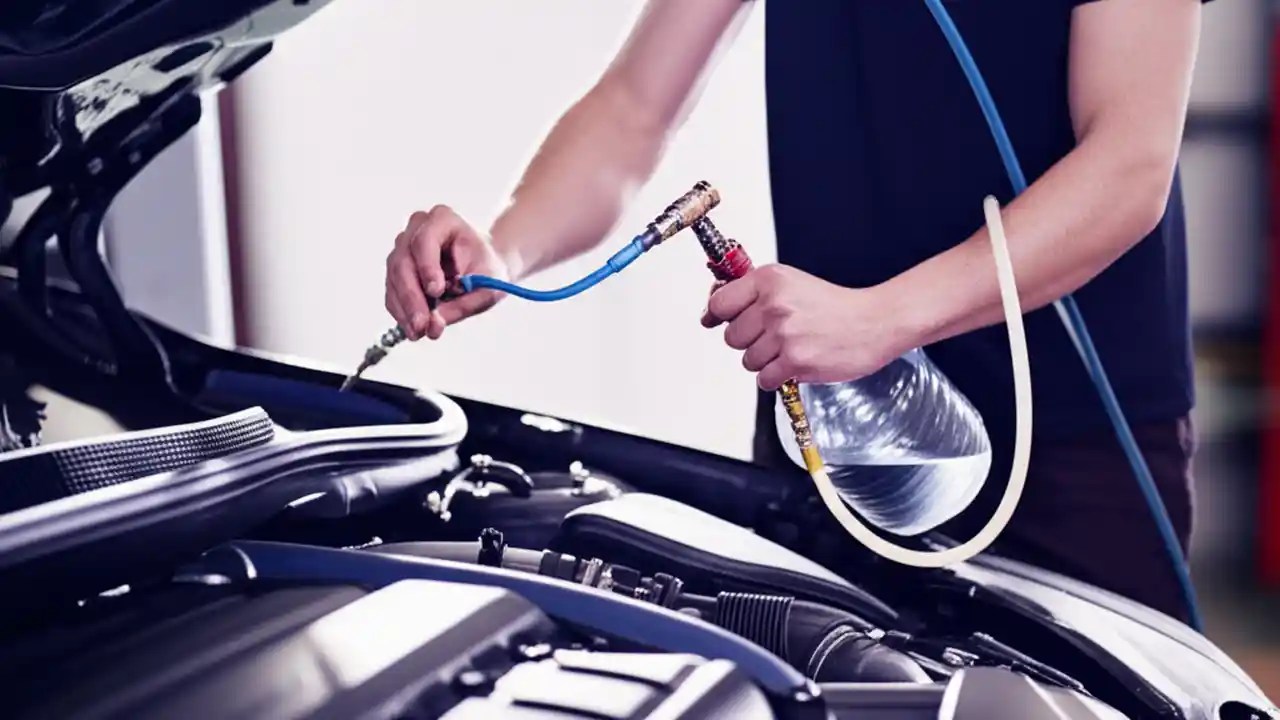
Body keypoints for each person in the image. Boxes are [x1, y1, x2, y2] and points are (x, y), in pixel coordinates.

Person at [384, 0, 1208, 621]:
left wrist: (882, 320)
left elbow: (1128, 164)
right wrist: (506, 252)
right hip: (829, 423)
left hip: (1070, 441)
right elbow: (635, 109)